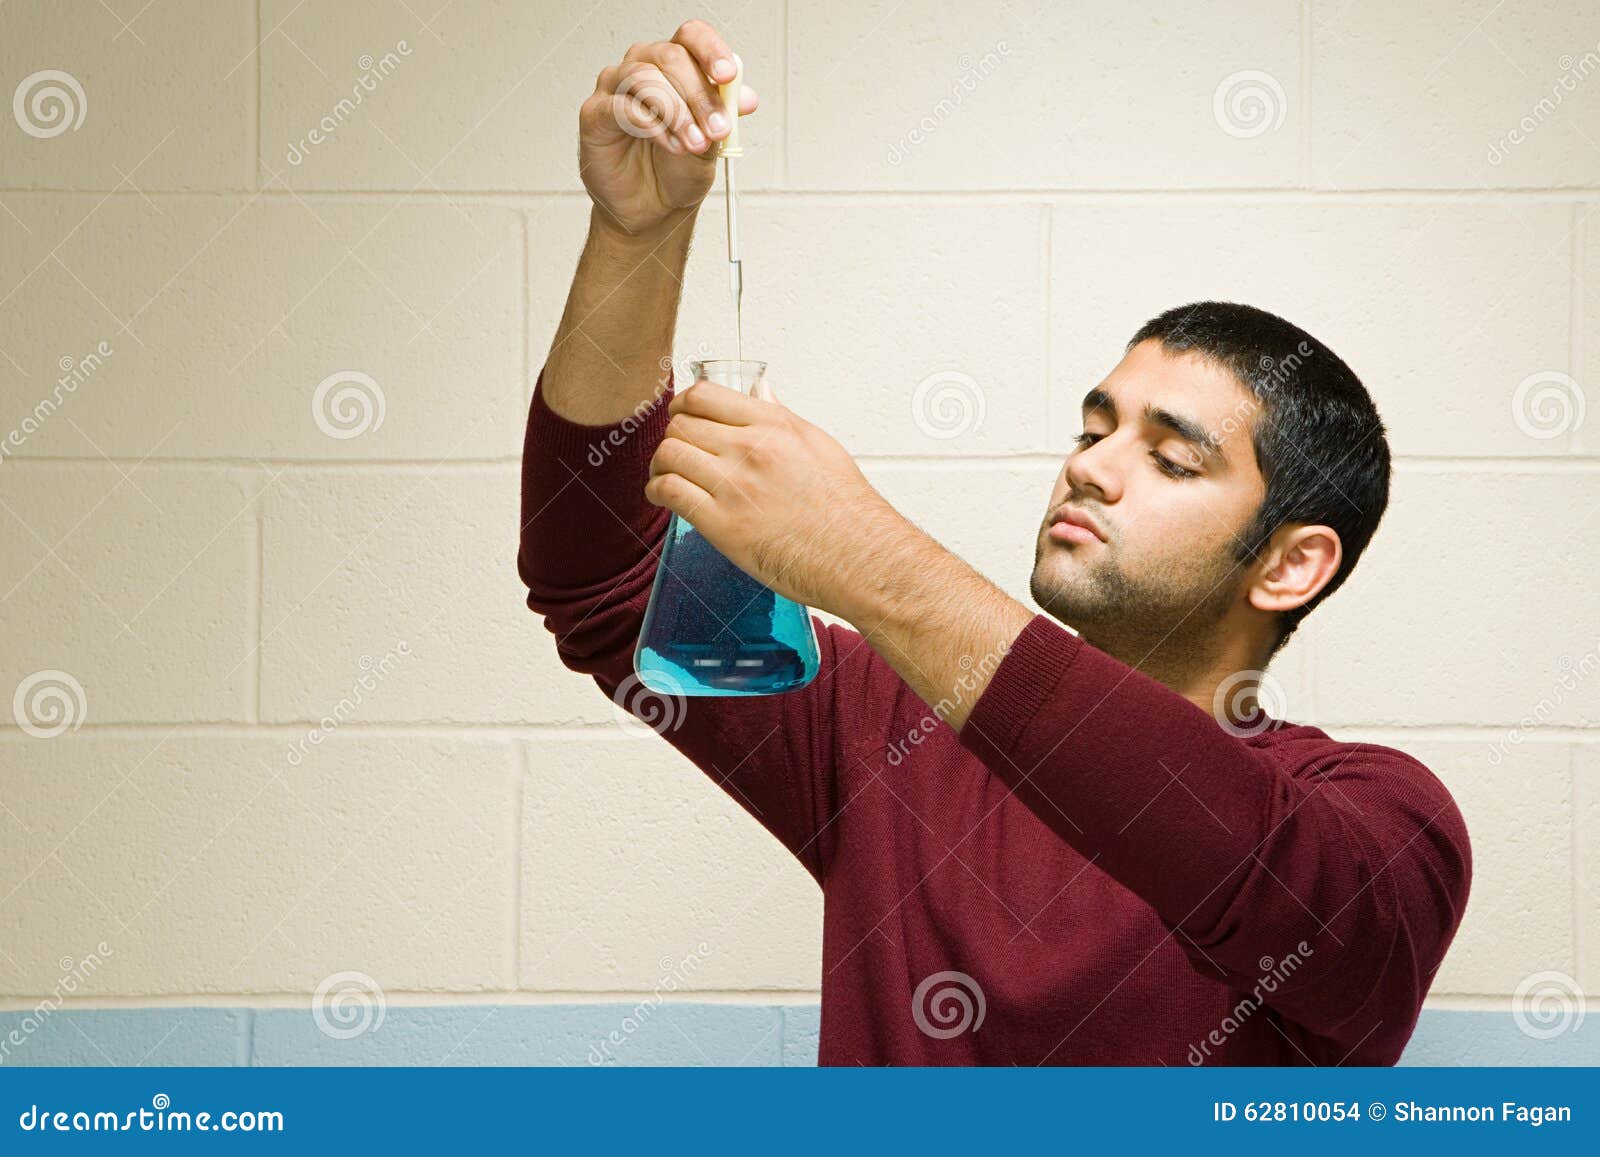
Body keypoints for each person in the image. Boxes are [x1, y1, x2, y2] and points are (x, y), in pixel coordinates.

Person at [517, 19, 1472, 1065]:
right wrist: (636, 238)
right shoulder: (890, 729)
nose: (1092, 465)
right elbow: (604, 584)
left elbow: (1255, 874)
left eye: (1171, 458)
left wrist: (870, 559)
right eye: (1094, 427)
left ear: (1291, 563)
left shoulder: (1383, 822)